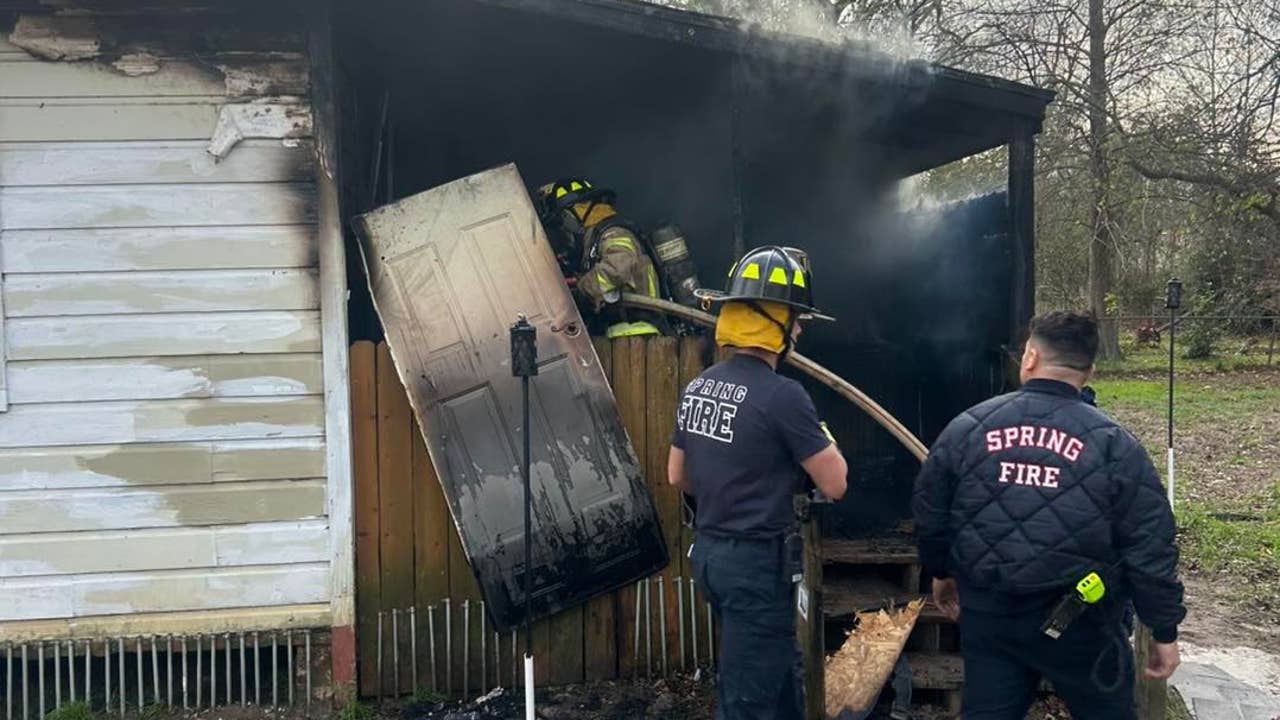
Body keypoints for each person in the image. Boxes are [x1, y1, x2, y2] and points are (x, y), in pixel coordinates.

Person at [913, 311, 1185, 718]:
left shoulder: (967, 428)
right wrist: (1163, 630)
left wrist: (940, 572)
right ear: (1089, 371)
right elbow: (1150, 542)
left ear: (1030, 357)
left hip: (991, 615)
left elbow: (931, 512)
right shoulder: (1113, 444)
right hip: (1082, 620)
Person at [668, 245, 848, 720]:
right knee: (747, 700)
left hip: (710, 556)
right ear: (770, 322)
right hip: (755, 566)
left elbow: (677, 476)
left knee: (778, 673)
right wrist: (817, 433)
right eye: (794, 317)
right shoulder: (784, 396)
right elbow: (835, 485)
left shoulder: (699, 384)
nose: (800, 329)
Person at [536, 178, 665, 338]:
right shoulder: (594, 239)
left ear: (577, 211)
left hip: (638, 334)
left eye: (563, 219)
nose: (564, 227)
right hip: (620, 336)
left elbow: (617, 268)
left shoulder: (613, 232)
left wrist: (584, 291)